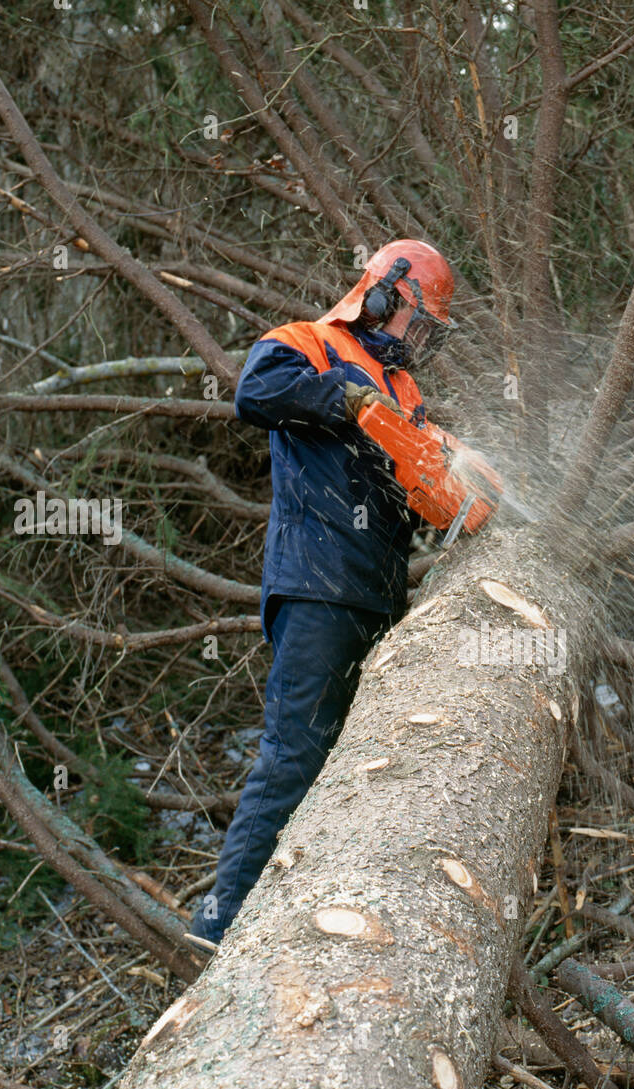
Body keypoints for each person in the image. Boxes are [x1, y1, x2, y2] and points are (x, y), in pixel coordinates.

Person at [195, 239, 457, 946]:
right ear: (383, 295)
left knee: (358, 763)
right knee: (294, 754)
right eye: (419, 321)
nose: (421, 340)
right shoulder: (305, 344)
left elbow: (425, 478)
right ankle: (218, 928)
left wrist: (461, 485)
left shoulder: (405, 389)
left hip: (378, 598)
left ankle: (306, 924)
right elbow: (255, 392)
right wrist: (342, 397)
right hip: (315, 584)